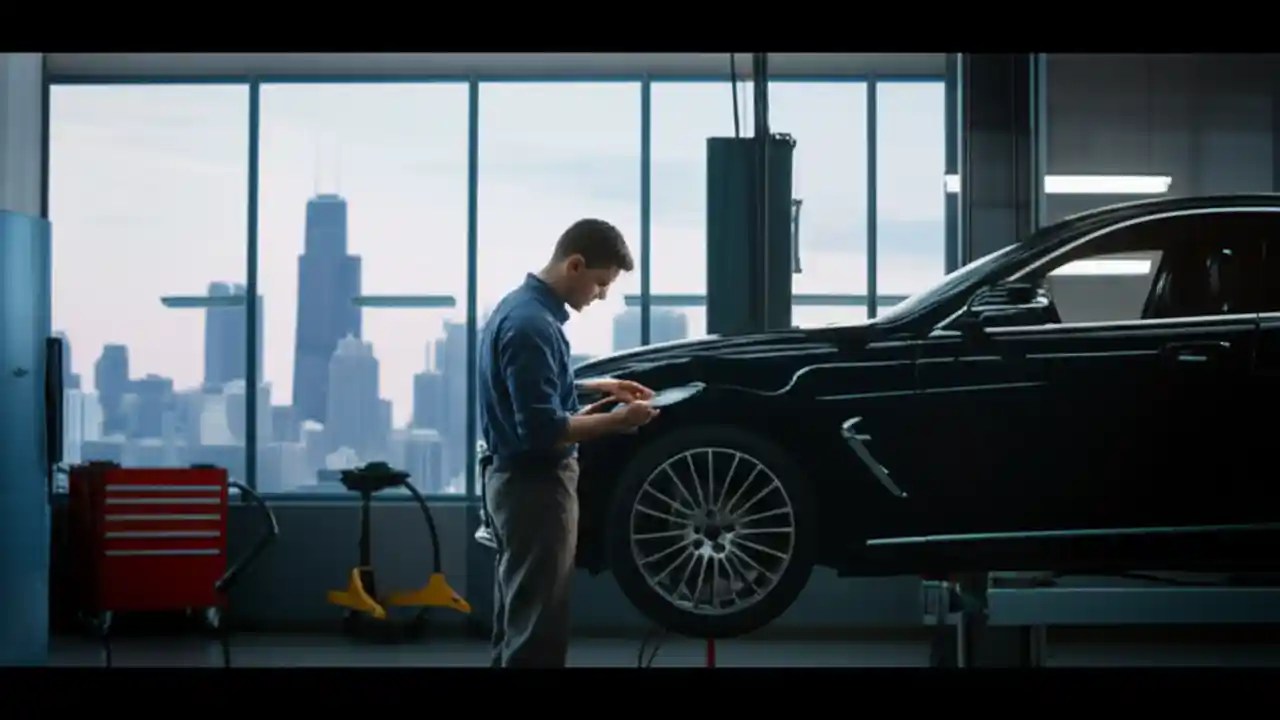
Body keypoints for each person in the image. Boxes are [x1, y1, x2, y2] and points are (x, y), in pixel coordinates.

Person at [477, 218, 660, 668]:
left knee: (519, 616)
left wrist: (599, 386)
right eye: (601, 284)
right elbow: (543, 430)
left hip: (514, 482)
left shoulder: (519, 311)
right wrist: (620, 422)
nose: (601, 296)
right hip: (535, 488)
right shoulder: (533, 327)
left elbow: (530, 393)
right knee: (538, 627)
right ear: (575, 265)